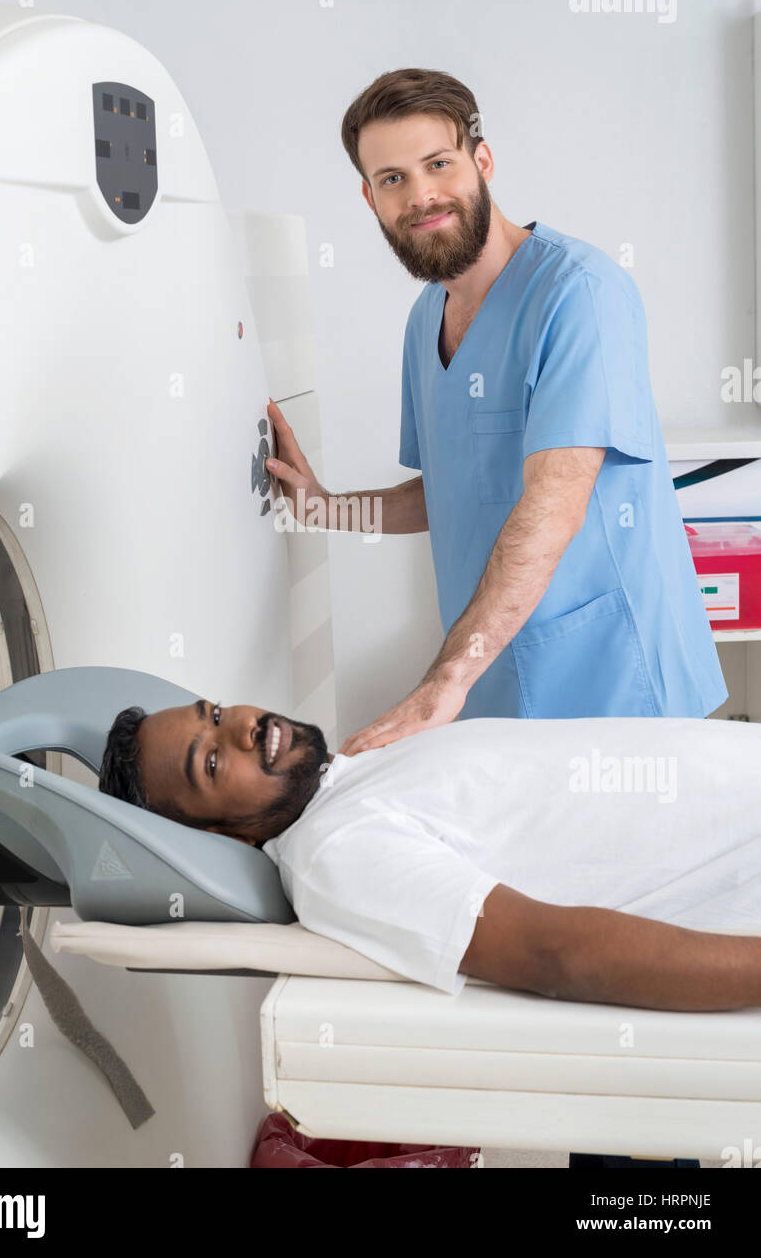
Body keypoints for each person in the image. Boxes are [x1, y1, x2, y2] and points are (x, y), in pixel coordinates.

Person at [263, 67, 730, 1167]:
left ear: (481, 156)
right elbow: (449, 489)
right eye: (389, 179)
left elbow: (553, 492)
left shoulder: (581, 292)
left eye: (434, 163)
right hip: (513, 713)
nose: (419, 193)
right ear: (368, 201)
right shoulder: (429, 317)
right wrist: (320, 502)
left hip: (621, 699)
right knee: (572, 1001)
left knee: (643, 1001)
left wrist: (440, 684)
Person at [98, 696, 761, 1019]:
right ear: (217, 836)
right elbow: (551, 953)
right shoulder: (335, 854)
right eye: (212, 762)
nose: (242, 728)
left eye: (213, 713)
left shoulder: (354, 777)